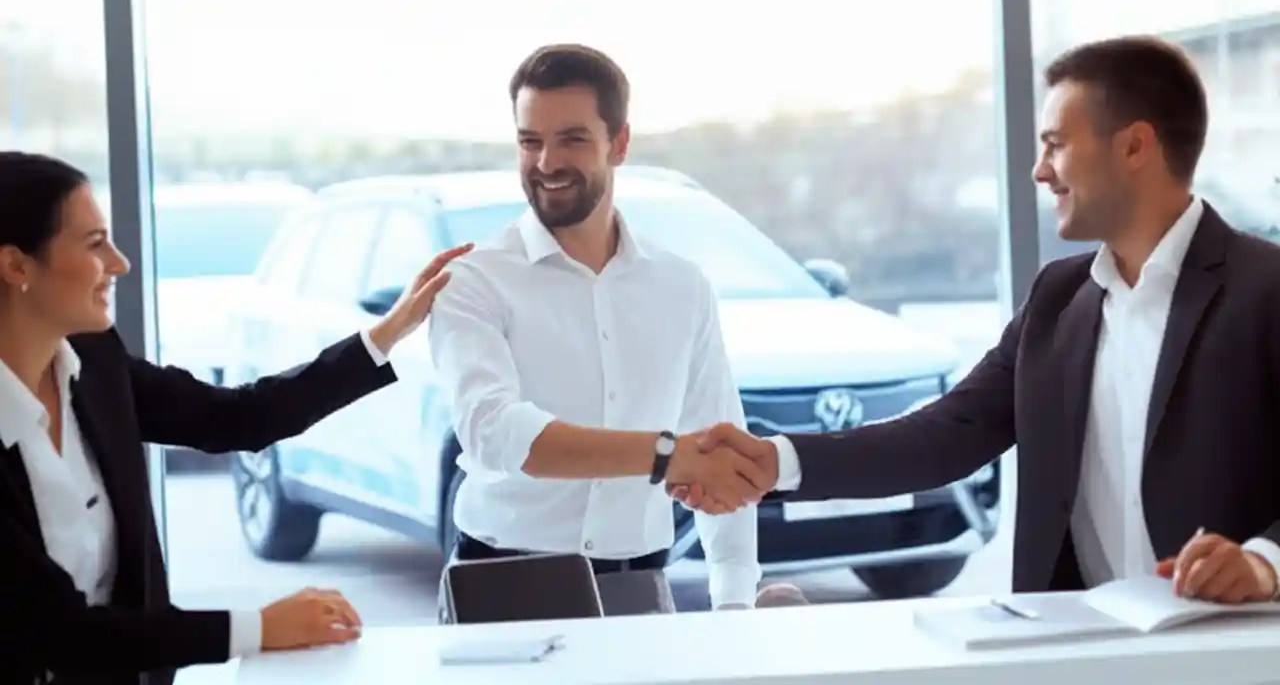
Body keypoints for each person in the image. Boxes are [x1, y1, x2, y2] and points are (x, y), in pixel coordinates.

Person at [676, 35, 1280, 605]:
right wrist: (774, 462)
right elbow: (944, 436)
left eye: (1056, 144)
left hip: (1235, 648)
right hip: (1078, 645)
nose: (1041, 171)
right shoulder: (1058, 300)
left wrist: (1263, 562)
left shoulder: (1265, 289)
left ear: (1134, 147)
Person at [0, 151, 472, 685]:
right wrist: (259, 628)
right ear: (17, 266)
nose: (119, 263)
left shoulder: (94, 362)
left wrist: (388, 332)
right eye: (94, 244)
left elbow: (239, 417)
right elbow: (60, 632)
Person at [427, 43, 766, 617]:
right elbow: (494, 432)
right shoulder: (472, 281)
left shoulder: (681, 287)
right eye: (530, 141)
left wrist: (734, 598)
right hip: (501, 586)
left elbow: (718, 437)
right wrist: (665, 456)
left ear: (620, 143)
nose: (546, 162)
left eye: (572, 140)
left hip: (640, 589)